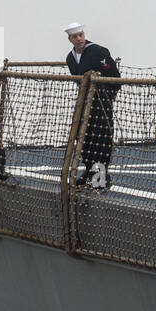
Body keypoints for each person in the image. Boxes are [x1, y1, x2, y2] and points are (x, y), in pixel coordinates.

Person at [64, 22, 121, 188]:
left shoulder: (98, 52)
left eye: (80, 35)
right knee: (85, 137)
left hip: (101, 101)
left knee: (102, 137)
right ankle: (89, 170)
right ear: (70, 39)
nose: (79, 39)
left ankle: (101, 175)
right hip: (84, 102)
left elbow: (114, 77)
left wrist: (109, 95)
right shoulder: (70, 58)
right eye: (75, 37)